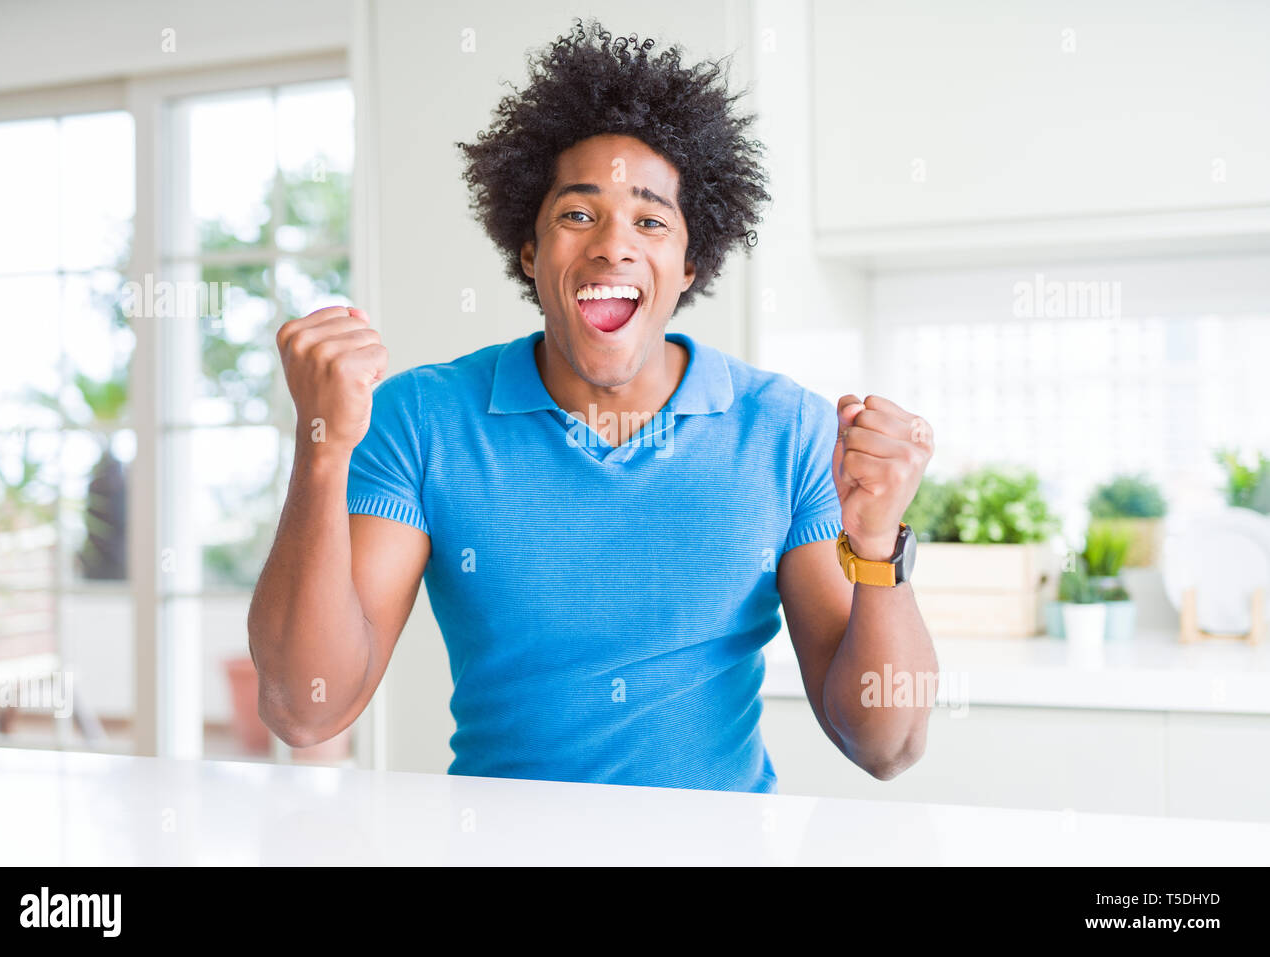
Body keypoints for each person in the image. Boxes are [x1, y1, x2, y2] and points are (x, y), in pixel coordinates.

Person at [249, 17, 938, 793]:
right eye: (579, 214)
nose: (614, 244)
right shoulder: (422, 420)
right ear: (531, 253)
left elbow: (887, 744)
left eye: (651, 220)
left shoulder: (787, 431)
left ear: (689, 264)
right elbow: (306, 708)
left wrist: (878, 545)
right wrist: (322, 450)